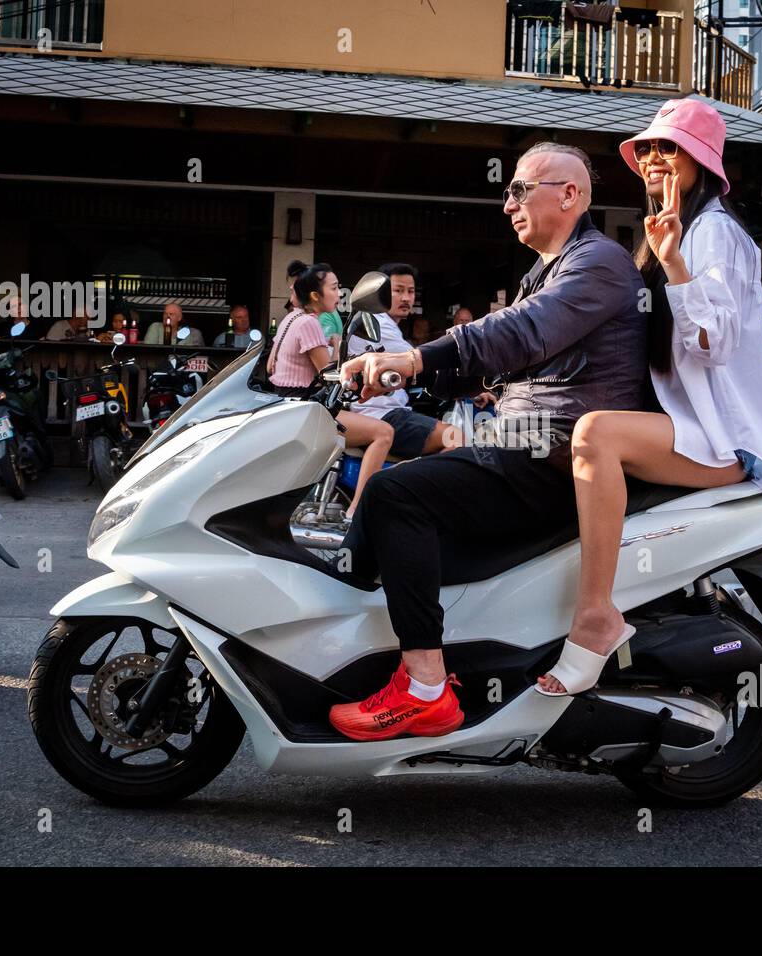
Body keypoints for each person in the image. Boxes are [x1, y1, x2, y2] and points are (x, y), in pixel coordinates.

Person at [331, 142, 648, 740]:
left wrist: (415, 356)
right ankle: (375, 655)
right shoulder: (548, 270)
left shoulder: (598, 263)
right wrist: (405, 371)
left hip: (549, 452)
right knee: (385, 509)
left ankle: (425, 685)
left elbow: (519, 332)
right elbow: (496, 362)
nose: (508, 205)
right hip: (520, 437)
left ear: (571, 194)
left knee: (394, 495)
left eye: (520, 190)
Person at [536, 98, 762, 696]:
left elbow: (715, 344)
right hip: (688, 423)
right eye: (646, 147)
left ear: (701, 161)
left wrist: (674, 262)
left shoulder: (713, 234)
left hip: (722, 440)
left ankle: (595, 617)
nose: (653, 157)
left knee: (596, 434)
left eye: (668, 147)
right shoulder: (665, 234)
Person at [267, 262, 392, 518]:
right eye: (334, 288)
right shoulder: (309, 324)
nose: (339, 294)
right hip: (308, 410)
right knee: (384, 432)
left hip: (286, 406)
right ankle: (357, 510)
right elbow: (329, 374)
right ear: (315, 295)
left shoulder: (290, 319)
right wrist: (340, 348)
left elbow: (271, 365)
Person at [345, 262, 461, 459]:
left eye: (411, 291)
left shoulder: (383, 323)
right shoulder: (380, 324)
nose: (406, 298)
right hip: (381, 414)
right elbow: (420, 363)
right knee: (456, 438)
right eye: (398, 291)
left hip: (378, 412)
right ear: (380, 293)